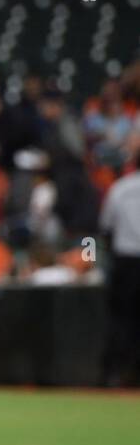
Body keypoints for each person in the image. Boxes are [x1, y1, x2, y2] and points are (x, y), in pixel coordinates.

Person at [100, 139, 140, 386]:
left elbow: (105, 227)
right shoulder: (119, 187)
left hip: (126, 261)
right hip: (126, 260)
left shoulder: (120, 188)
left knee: (121, 320)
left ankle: (114, 374)